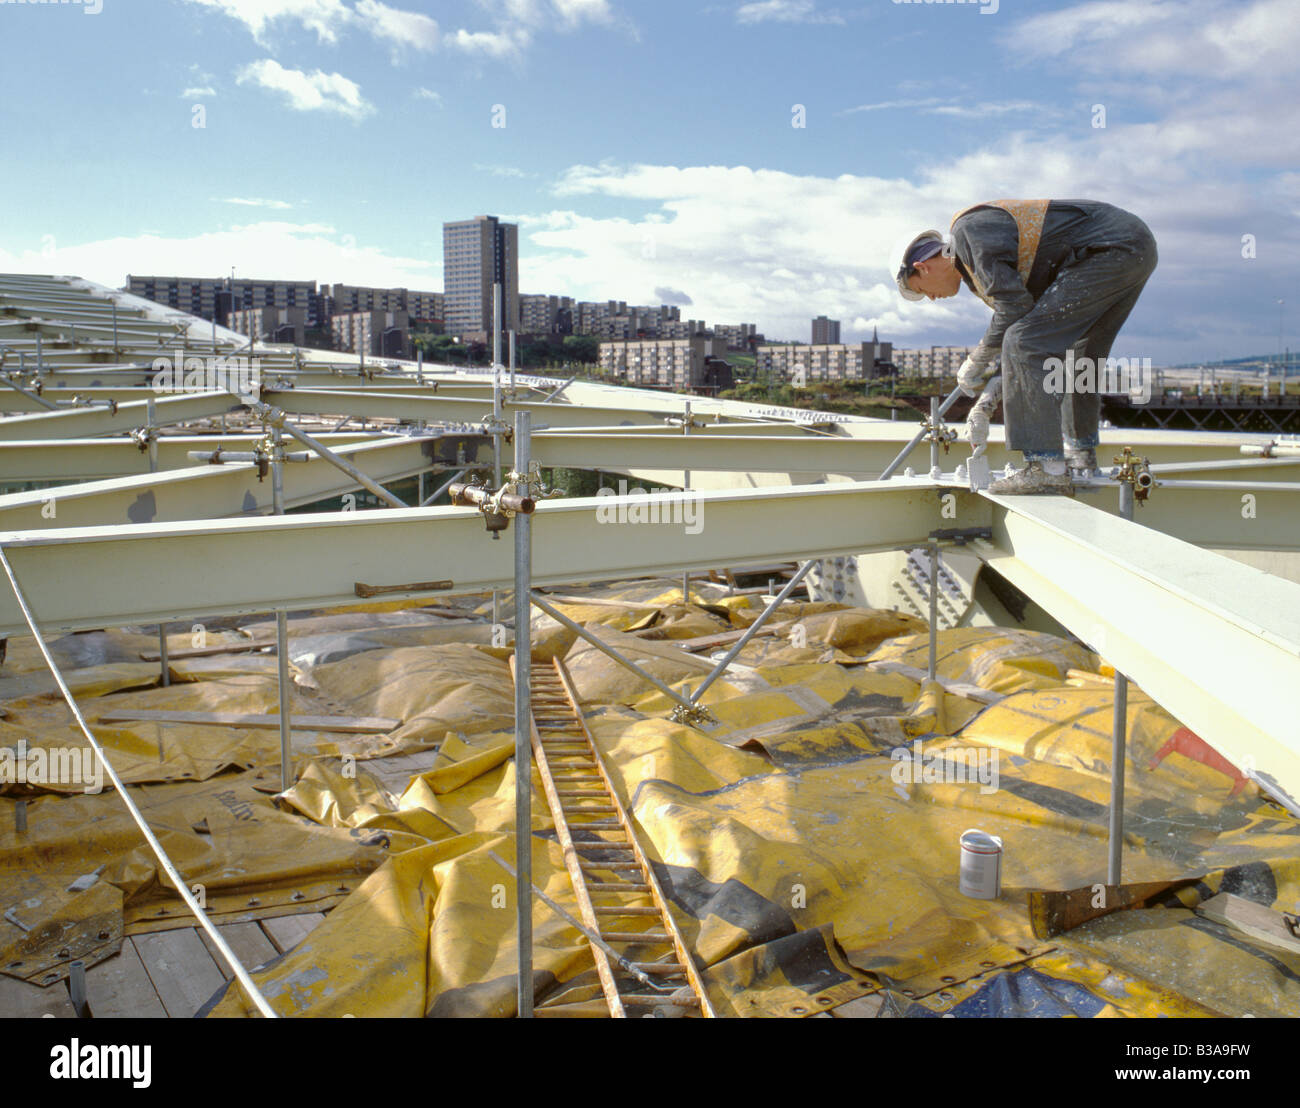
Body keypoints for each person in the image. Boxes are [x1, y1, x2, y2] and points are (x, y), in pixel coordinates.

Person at [894, 199, 1157, 493]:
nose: (931, 298)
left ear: (922, 268)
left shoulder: (967, 234)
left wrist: (978, 358)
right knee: (1081, 352)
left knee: (1024, 339)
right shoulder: (975, 267)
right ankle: (1081, 455)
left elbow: (1015, 313)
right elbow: (1031, 333)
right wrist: (986, 401)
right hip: (1133, 245)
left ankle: (1045, 467)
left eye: (921, 290)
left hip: (1109, 249)